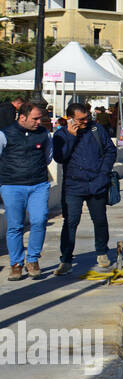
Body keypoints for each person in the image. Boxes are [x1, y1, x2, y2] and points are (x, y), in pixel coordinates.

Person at [52, 102, 117, 274]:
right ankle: (66, 258)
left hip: (96, 183)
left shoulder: (97, 129)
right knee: (71, 222)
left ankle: (102, 252)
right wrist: (71, 137)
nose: (85, 121)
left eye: (87, 117)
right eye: (81, 119)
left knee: (100, 220)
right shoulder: (61, 134)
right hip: (73, 185)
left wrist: (103, 174)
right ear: (70, 118)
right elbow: (60, 157)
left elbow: (110, 151)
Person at [0, 101, 53, 280]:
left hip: (38, 185)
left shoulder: (44, 134)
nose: (39, 122)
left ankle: (32, 260)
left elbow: (48, 157)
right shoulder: (5, 134)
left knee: (39, 220)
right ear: (22, 117)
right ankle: (16, 264)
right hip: (12, 186)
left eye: (40, 118)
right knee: (15, 225)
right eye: (35, 118)